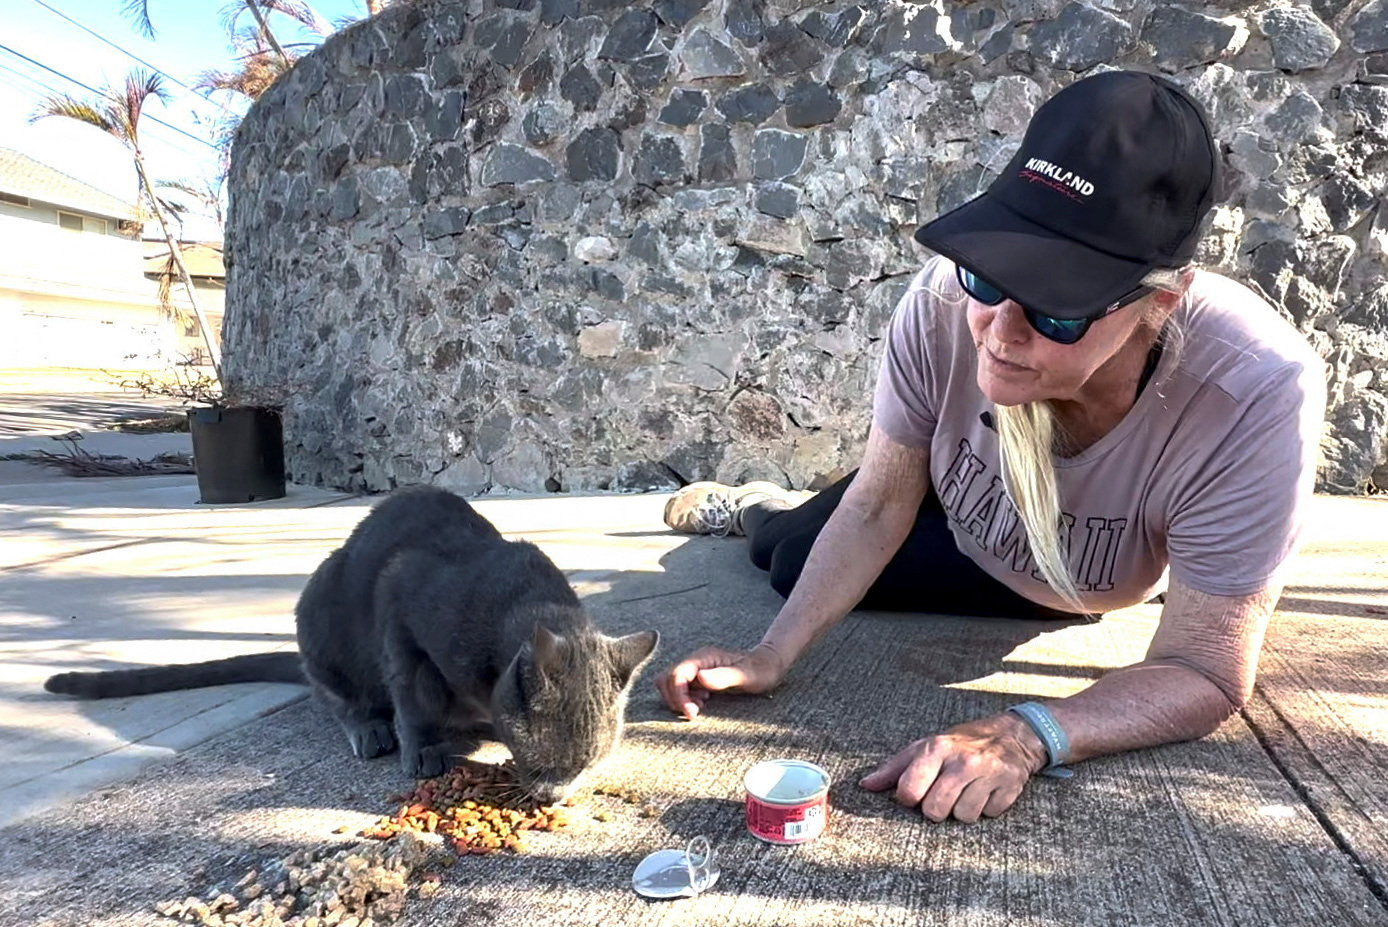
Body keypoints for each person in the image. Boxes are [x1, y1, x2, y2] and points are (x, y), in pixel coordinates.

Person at [654, 70, 1327, 823]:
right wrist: (770, 654)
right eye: (989, 275)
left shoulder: (1256, 390)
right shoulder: (943, 299)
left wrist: (1028, 734)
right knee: (780, 549)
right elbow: (878, 505)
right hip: (952, 483)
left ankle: (772, 512)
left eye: (1057, 310)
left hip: (1045, 569)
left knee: (795, 563)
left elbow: (1205, 669)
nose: (1001, 334)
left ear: (1161, 299)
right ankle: (754, 504)